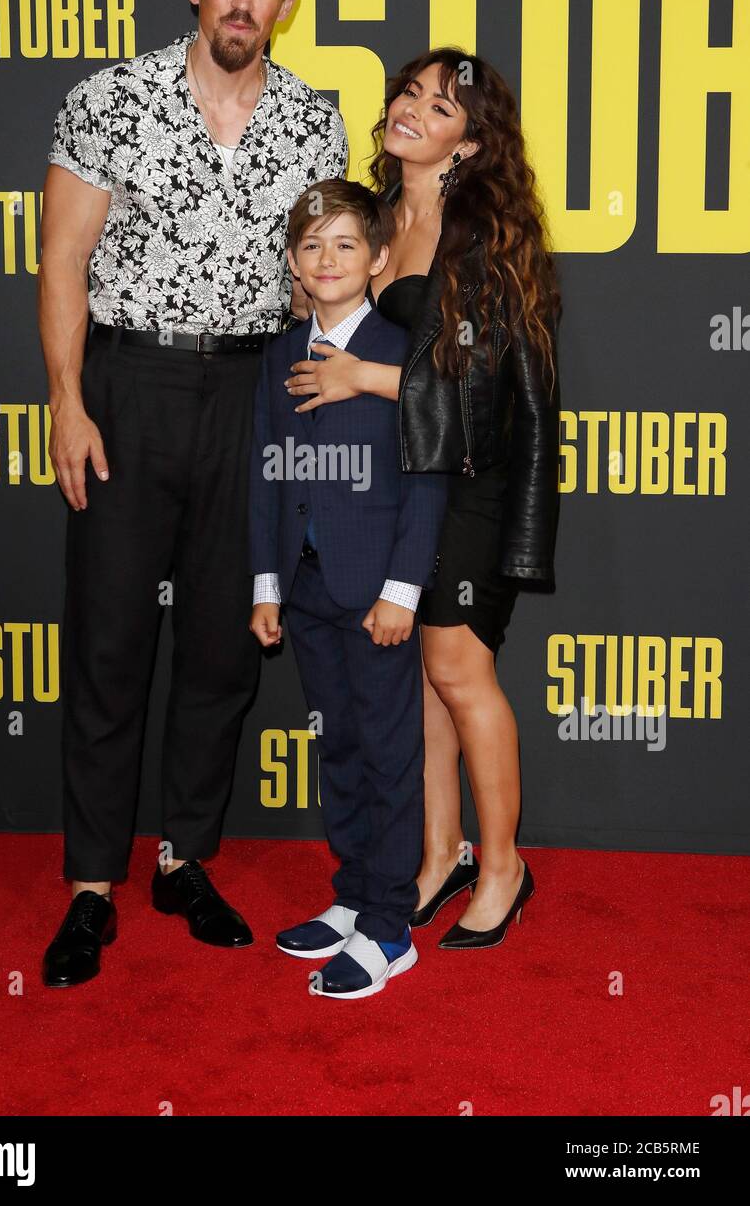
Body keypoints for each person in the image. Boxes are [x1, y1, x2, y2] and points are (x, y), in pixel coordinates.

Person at [37, 0, 348, 988]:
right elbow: (63, 264)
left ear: (285, 4)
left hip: (255, 392)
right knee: (111, 640)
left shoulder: (316, 121)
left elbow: (329, 273)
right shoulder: (108, 98)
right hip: (133, 381)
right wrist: (69, 400)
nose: (242, 3)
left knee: (221, 643)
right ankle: (89, 884)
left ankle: (181, 858)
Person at [283, 49, 561, 950]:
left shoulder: (477, 236)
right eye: (409, 92)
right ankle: (439, 851)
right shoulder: (376, 215)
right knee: (423, 681)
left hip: (474, 482)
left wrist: (361, 374)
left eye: (439, 106)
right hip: (404, 485)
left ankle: (506, 865)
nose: (411, 110)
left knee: (457, 670)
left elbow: (475, 383)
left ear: (471, 142)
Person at [249, 179, 447, 999]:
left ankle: (391, 927)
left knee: (391, 753)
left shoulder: (405, 355)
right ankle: (356, 895)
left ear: (376, 258)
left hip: (377, 596)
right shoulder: (277, 356)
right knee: (341, 747)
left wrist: (402, 590)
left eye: (344, 244)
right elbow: (265, 477)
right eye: (310, 245)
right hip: (307, 592)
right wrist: (266, 583)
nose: (327, 260)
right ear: (292, 261)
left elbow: (428, 483)